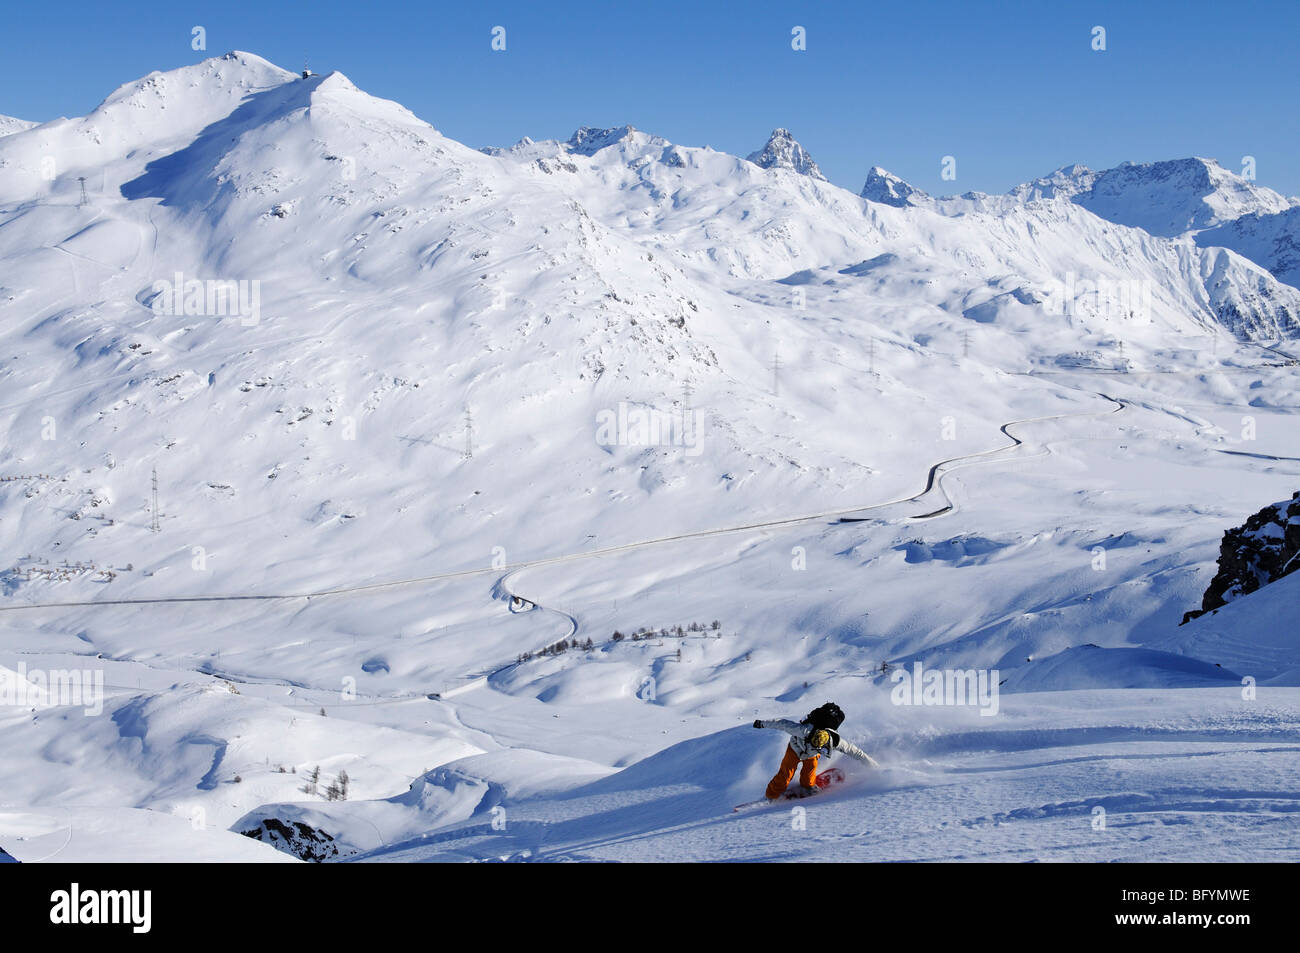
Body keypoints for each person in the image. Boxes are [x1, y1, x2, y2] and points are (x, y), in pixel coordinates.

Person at [753, 701, 879, 799]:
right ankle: (771, 796)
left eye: (821, 748)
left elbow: (856, 752)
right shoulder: (804, 731)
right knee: (786, 774)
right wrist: (762, 723)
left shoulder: (836, 742)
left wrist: (874, 766)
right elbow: (782, 724)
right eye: (814, 745)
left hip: (810, 755)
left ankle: (807, 787)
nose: (818, 748)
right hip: (795, 748)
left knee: (808, 778)